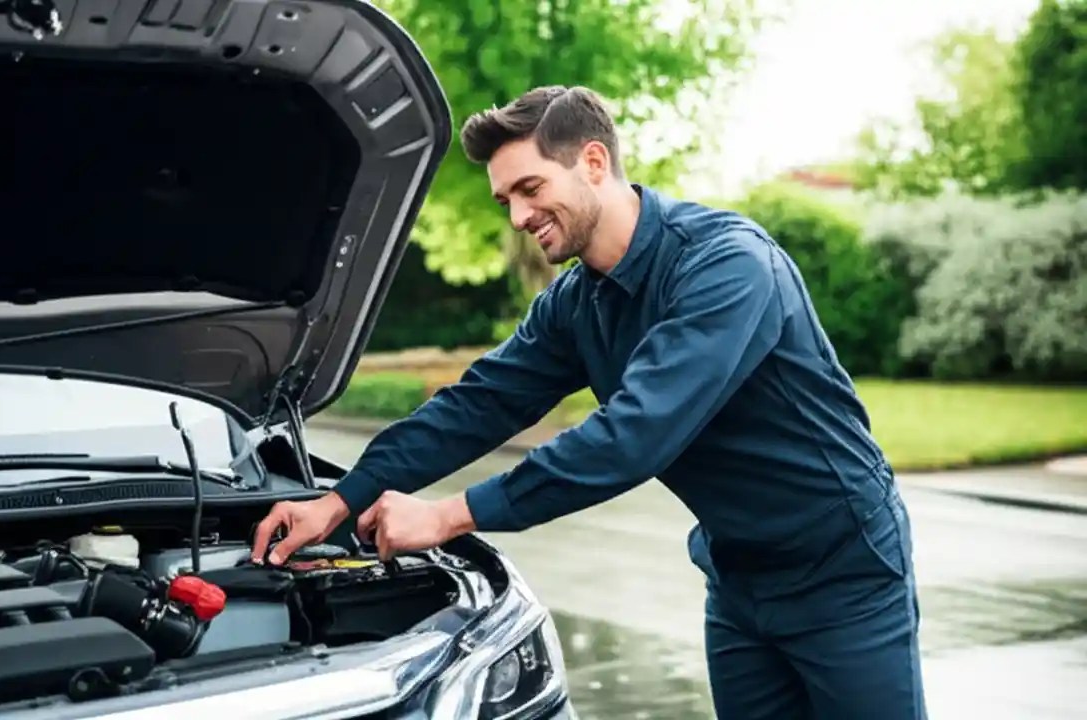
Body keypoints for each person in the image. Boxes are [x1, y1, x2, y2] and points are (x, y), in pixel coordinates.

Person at [251, 85, 925, 719]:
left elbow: (634, 435)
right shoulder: (577, 304)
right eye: (505, 200)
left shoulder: (727, 266)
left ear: (594, 162)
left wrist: (448, 516)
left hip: (843, 572)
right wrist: (339, 502)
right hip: (738, 578)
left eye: (530, 188)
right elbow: (478, 404)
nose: (518, 216)